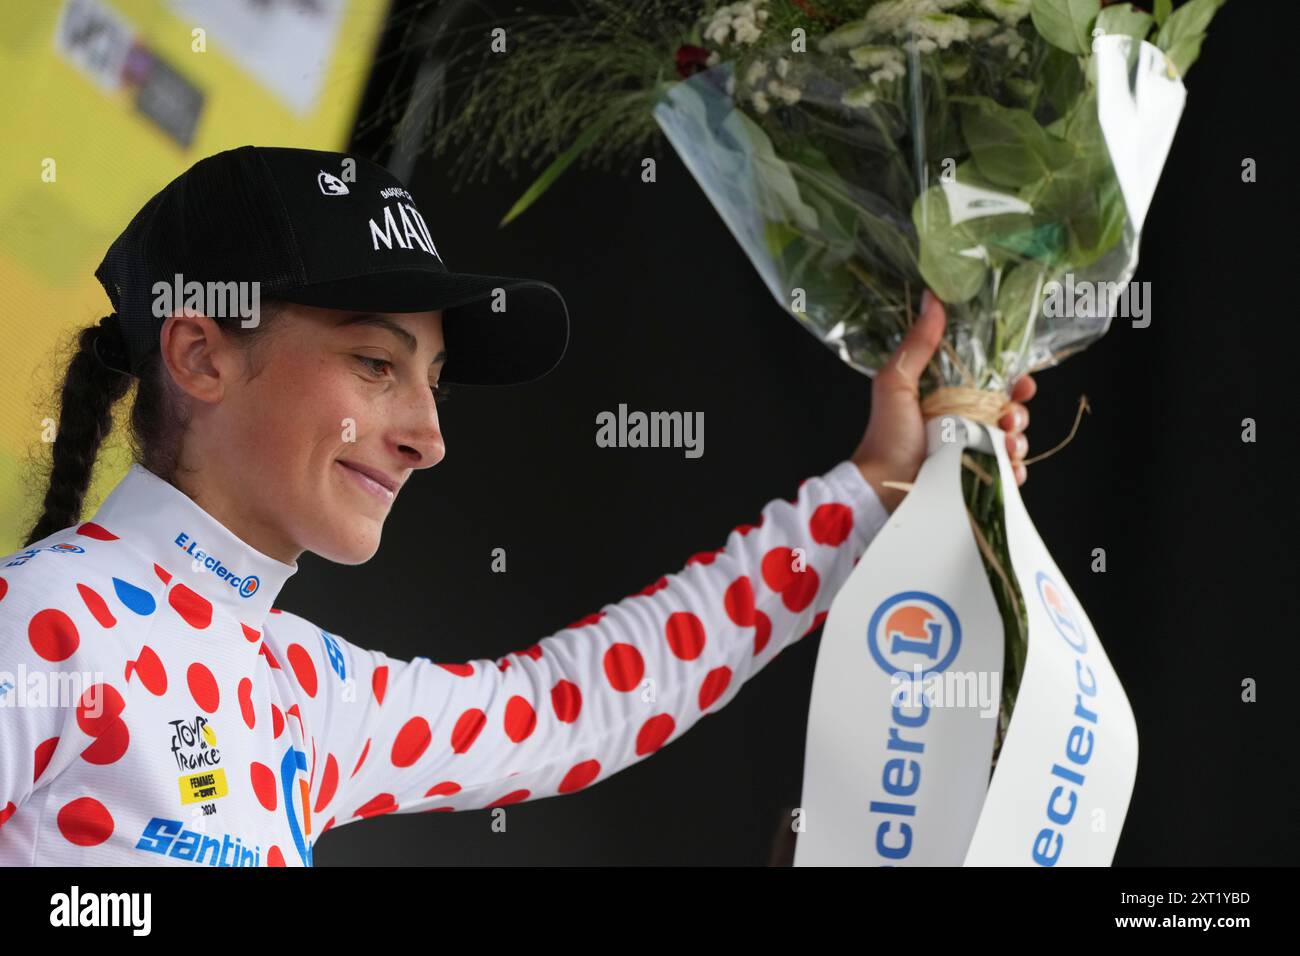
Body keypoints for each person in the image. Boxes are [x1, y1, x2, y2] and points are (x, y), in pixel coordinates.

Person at [0, 146, 1034, 866]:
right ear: (200, 354)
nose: (427, 433)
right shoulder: (41, 626)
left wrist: (872, 487)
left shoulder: (298, 687)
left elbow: (575, 705)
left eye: (434, 381)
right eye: (374, 363)